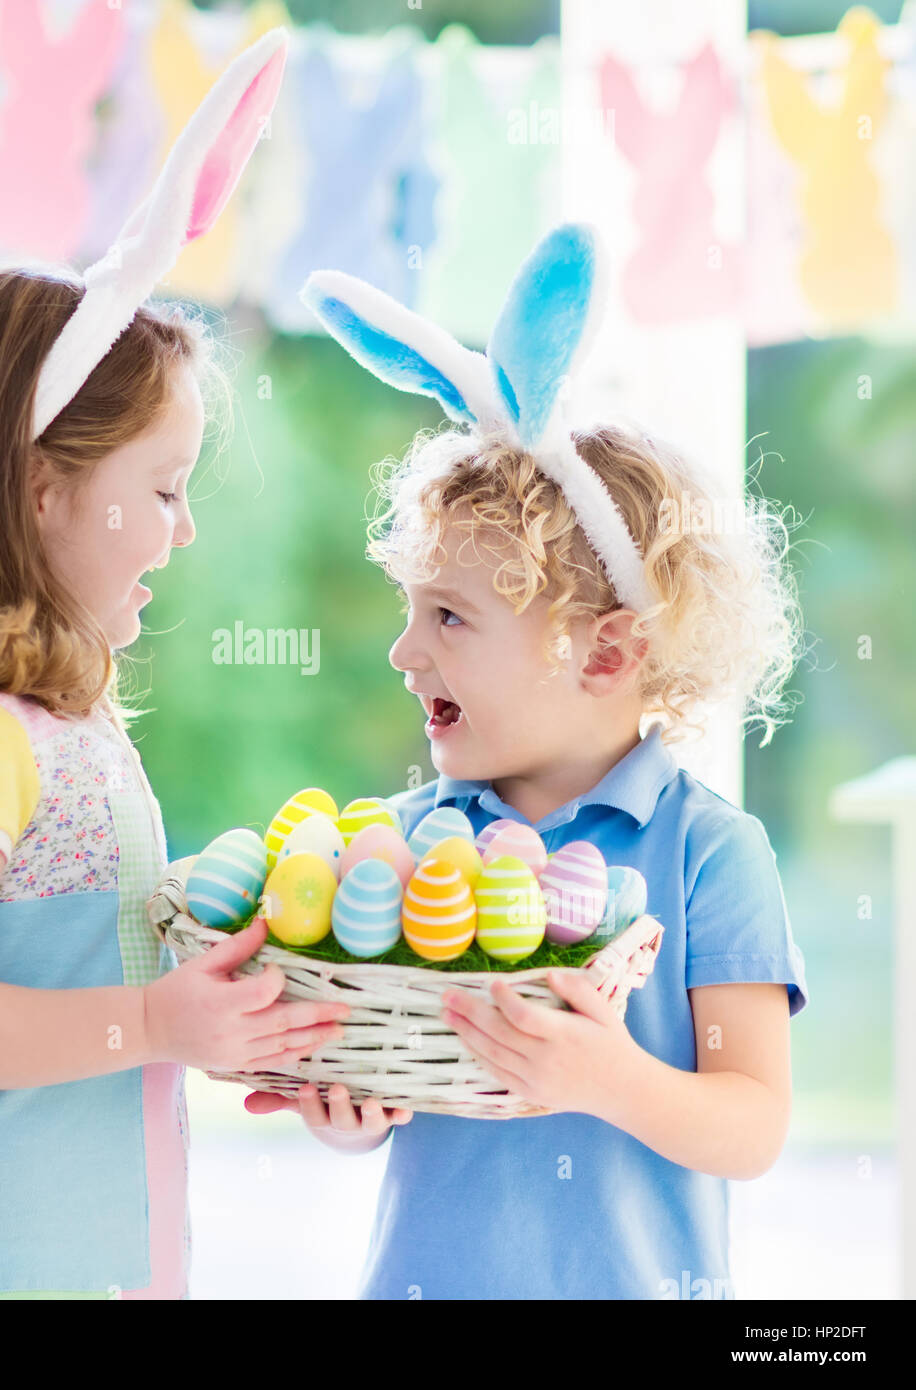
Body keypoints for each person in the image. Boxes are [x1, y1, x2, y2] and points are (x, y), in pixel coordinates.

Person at [0, 28, 349, 1300]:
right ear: (42, 490)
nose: (186, 526)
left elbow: (66, 993)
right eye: (162, 488)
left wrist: (222, 1018)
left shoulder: (65, 723)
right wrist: (157, 1023)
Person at [245, 224, 809, 1299]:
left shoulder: (707, 852)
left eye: (450, 617)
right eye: (411, 613)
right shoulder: (405, 846)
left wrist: (609, 1078)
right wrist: (349, 1115)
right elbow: (392, 1074)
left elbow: (751, 1123)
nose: (405, 652)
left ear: (604, 648)